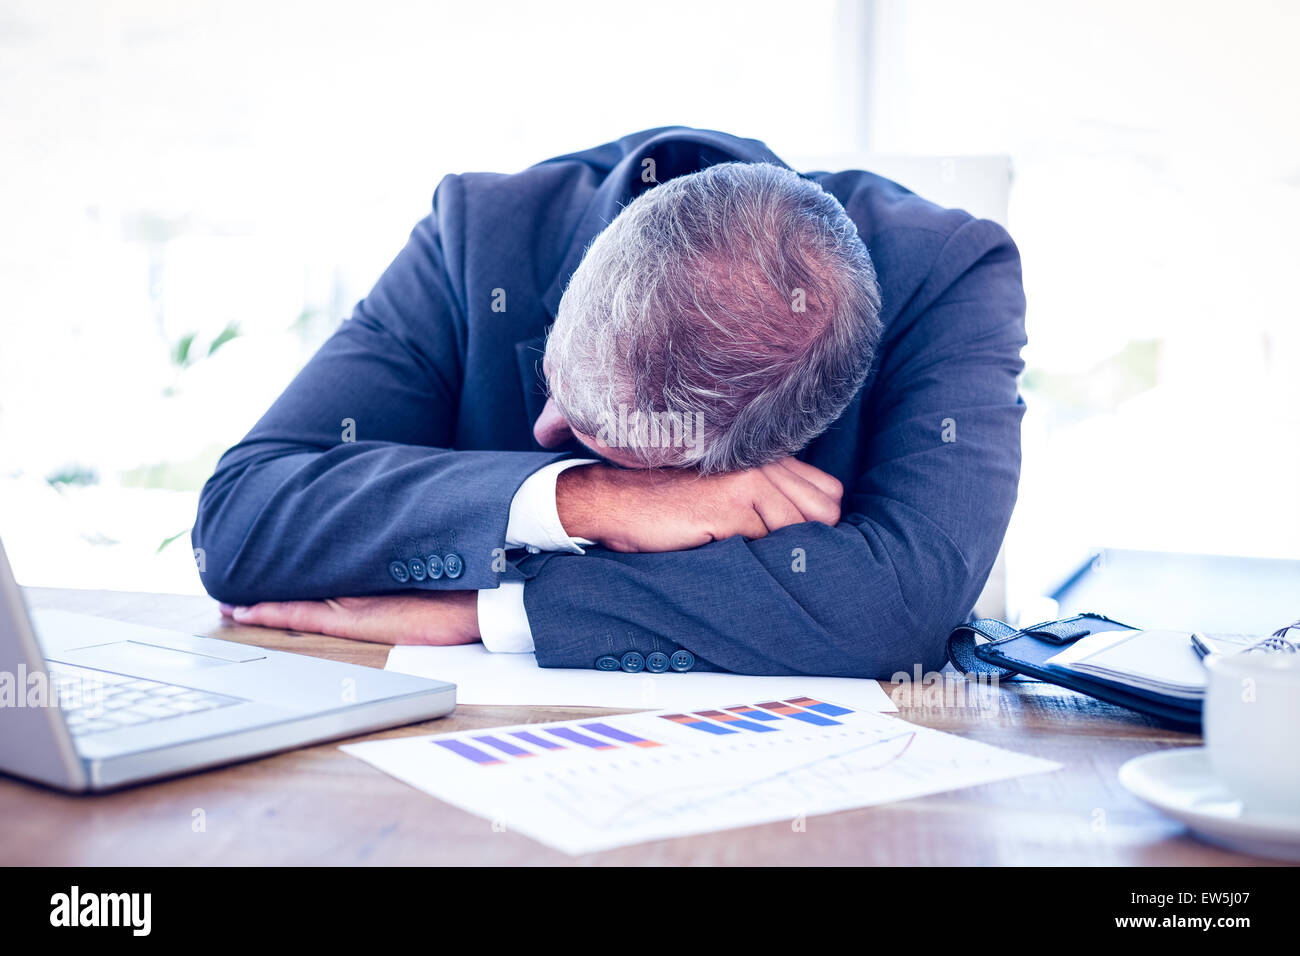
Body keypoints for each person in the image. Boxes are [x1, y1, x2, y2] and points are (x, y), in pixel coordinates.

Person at [193, 127, 1027, 678]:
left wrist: (493, 612)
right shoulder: (477, 234)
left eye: (604, 451)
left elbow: (898, 611)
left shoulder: (952, 273)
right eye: (560, 383)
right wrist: (588, 497)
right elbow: (240, 523)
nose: (543, 430)